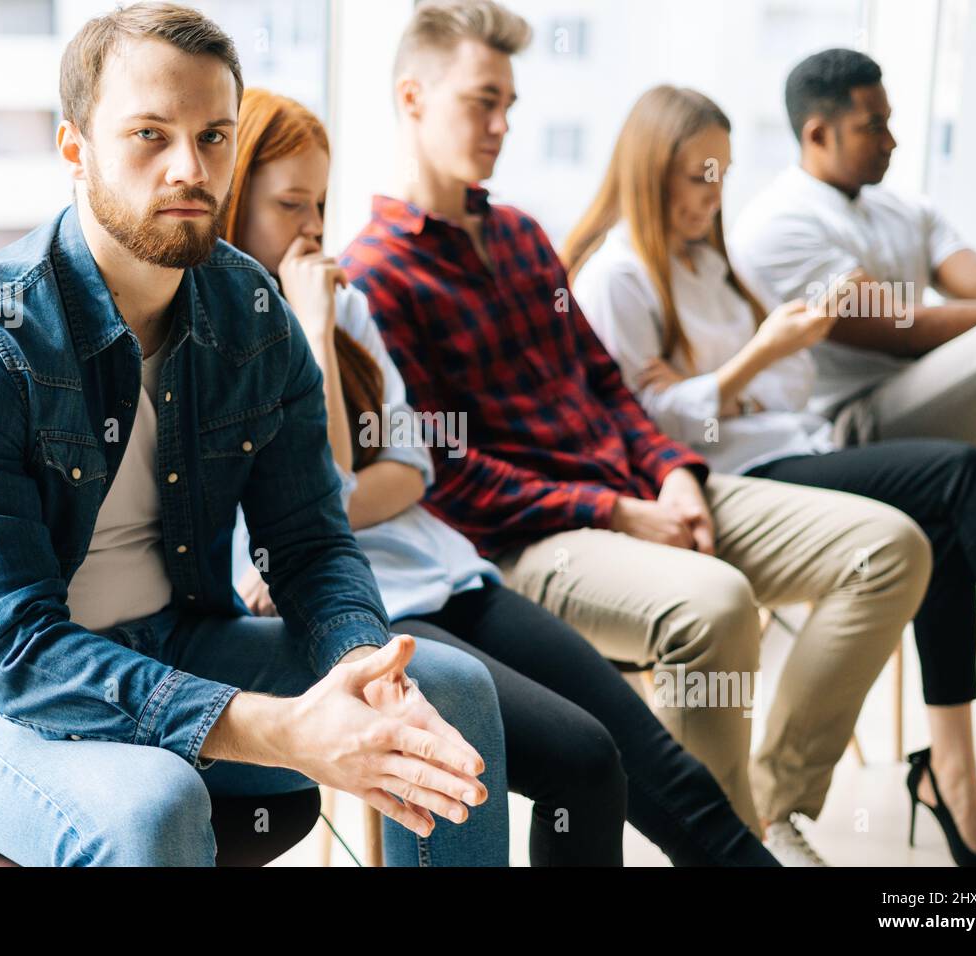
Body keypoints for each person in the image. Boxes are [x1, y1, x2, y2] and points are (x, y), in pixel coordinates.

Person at [0, 1, 511, 868]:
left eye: (215, 136)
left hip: (176, 639)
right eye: (149, 135)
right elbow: (13, 652)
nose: (189, 168)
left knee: (447, 694)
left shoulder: (254, 310)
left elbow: (309, 544)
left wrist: (362, 674)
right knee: (155, 806)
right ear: (74, 148)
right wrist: (279, 729)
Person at [339, 0, 932, 866]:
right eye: (481, 101)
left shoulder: (523, 238)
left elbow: (606, 382)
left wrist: (673, 471)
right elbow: (452, 476)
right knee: (716, 604)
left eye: (511, 103)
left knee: (892, 546)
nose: (503, 124)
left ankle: (767, 811)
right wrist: (616, 510)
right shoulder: (376, 275)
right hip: (531, 540)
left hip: (638, 488)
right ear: (413, 98)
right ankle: (725, 841)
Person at [224, 87, 780, 866]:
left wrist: (356, 487)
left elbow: (411, 471)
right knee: (584, 764)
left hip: (448, 571)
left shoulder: (346, 307)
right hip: (356, 608)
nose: (315, 230)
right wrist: (308, 326)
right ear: (232, 200)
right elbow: (328, 493)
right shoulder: (265, 324)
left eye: (320, 203)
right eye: (291, 205)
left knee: (649, 757)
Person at [566, 83, 976, 867]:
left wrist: (724, 381)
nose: (714, 192)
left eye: (722, 172)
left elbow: (787, 388)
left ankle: (944, 782)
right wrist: (747, 367)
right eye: (700, 173)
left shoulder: (709, 265)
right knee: (958, 473)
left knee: (945, 510)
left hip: (791, 446)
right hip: (736, 473)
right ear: (651, 170)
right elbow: (647, 433)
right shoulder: (619, 276)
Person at [728, 47, 976, 525]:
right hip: (855, 427)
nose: (891, 142)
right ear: (819, 135)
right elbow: (903, 330)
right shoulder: (777, 222)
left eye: (889, 122)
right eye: (873, 127)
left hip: (944, 405)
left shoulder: (905, 209)